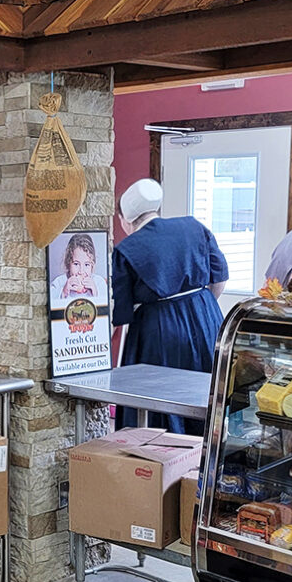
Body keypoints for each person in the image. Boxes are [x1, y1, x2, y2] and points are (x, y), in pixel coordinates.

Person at [112, 178, 228, 433]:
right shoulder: (193, 226)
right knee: (206, 388)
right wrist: (200, 308)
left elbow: (121, 313)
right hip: (206, 315)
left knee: (159, 393)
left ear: (126, 218)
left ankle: (162, 456)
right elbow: (219, 278)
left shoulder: (126, 250)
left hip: (159, 328)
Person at [49, 232, 109, 307]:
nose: (81, 271)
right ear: (68, 264)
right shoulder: (59, 282)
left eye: (87, 264)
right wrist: (63, 293)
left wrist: (96, 294)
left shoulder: (99, 283)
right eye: (76, 264)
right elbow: (50, 308)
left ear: (92, 266)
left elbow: (106, 309)